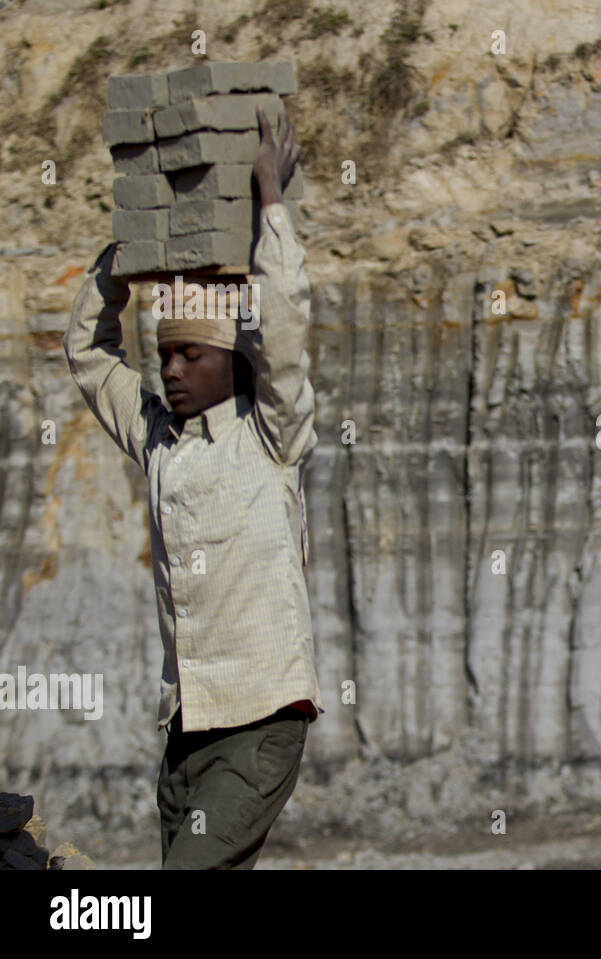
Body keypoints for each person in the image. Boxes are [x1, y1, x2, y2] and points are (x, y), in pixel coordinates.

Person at [64, 107, 322, 868]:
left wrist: (270, 203)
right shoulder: (156, 442)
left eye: (188, 356)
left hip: (262, 719)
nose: (170, 371)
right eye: (164, 356)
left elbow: (282, 327)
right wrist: (126, 256)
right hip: (185, 729)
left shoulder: (271, 435)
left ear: (231, 361)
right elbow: (88, 354)